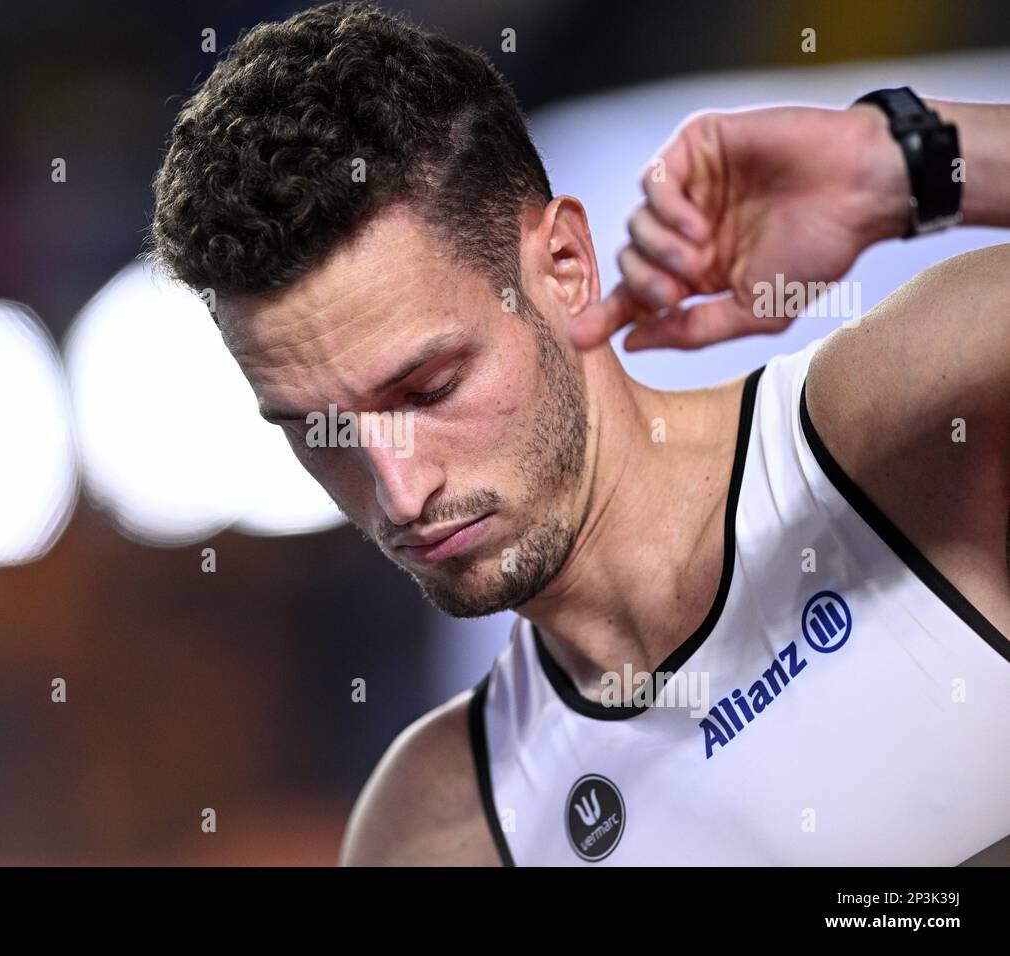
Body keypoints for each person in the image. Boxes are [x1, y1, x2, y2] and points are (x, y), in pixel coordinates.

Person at [147, 1, 1010, 865]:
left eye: (430, 387)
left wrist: (911, 161)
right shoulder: (439, 834)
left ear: (564, 266)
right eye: (321, 432)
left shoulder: (912, 420)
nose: (400, 494)